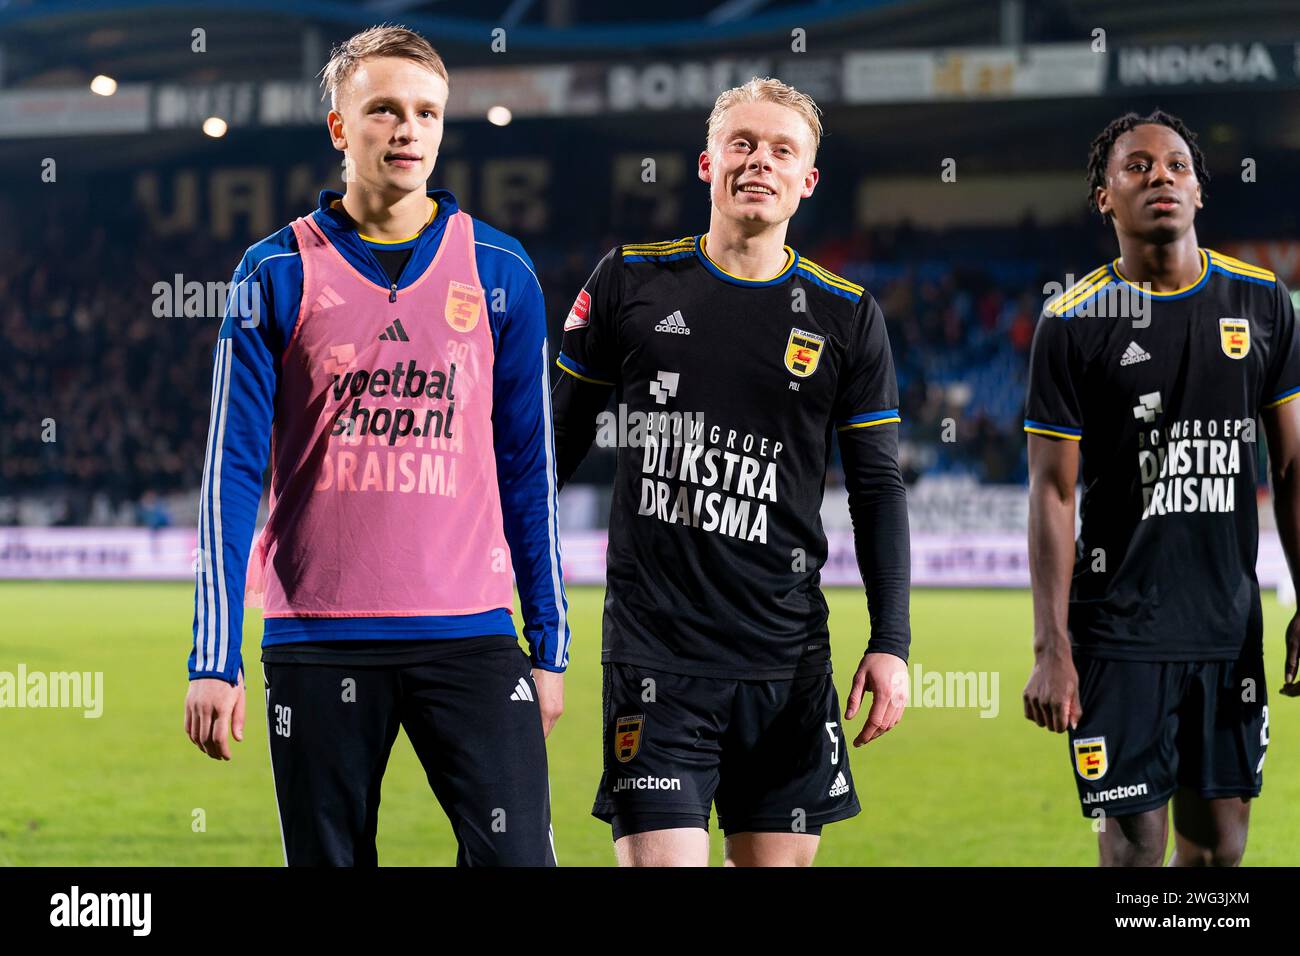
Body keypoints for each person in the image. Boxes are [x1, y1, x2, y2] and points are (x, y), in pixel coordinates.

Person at [183, 24, 567, 866]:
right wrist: (214, 654)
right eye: (385, 109)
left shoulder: (501, 272)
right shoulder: (273, 271)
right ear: (337, 126)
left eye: (427, 113)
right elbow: (231, 473)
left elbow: (527, 472)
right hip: (317, 640)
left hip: (469, 634)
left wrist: (549, 638)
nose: (408, 130)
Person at [551, 77, 911, 867]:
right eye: (743, 144)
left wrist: (891, 641)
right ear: (709, 162)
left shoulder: (846, 314)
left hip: (787, 662)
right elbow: (553, 449)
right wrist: (518, 601)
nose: (760, 162)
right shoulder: (629, 281)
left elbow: (878, 488)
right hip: (656, 657)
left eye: (783, 150)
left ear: (807, 180)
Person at [1023, 109, 1300, 866]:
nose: (1161, 178)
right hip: (1117, 632)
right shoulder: (1073, 323)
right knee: (1135, 850)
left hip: (1227, 625)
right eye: (1137, 167)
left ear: (1201, 193)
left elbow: (1293, 469)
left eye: (1177, 165)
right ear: (1104, 197)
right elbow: (1052, 494)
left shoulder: (1263, 303)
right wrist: (1052, 647)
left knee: (1219, 852)